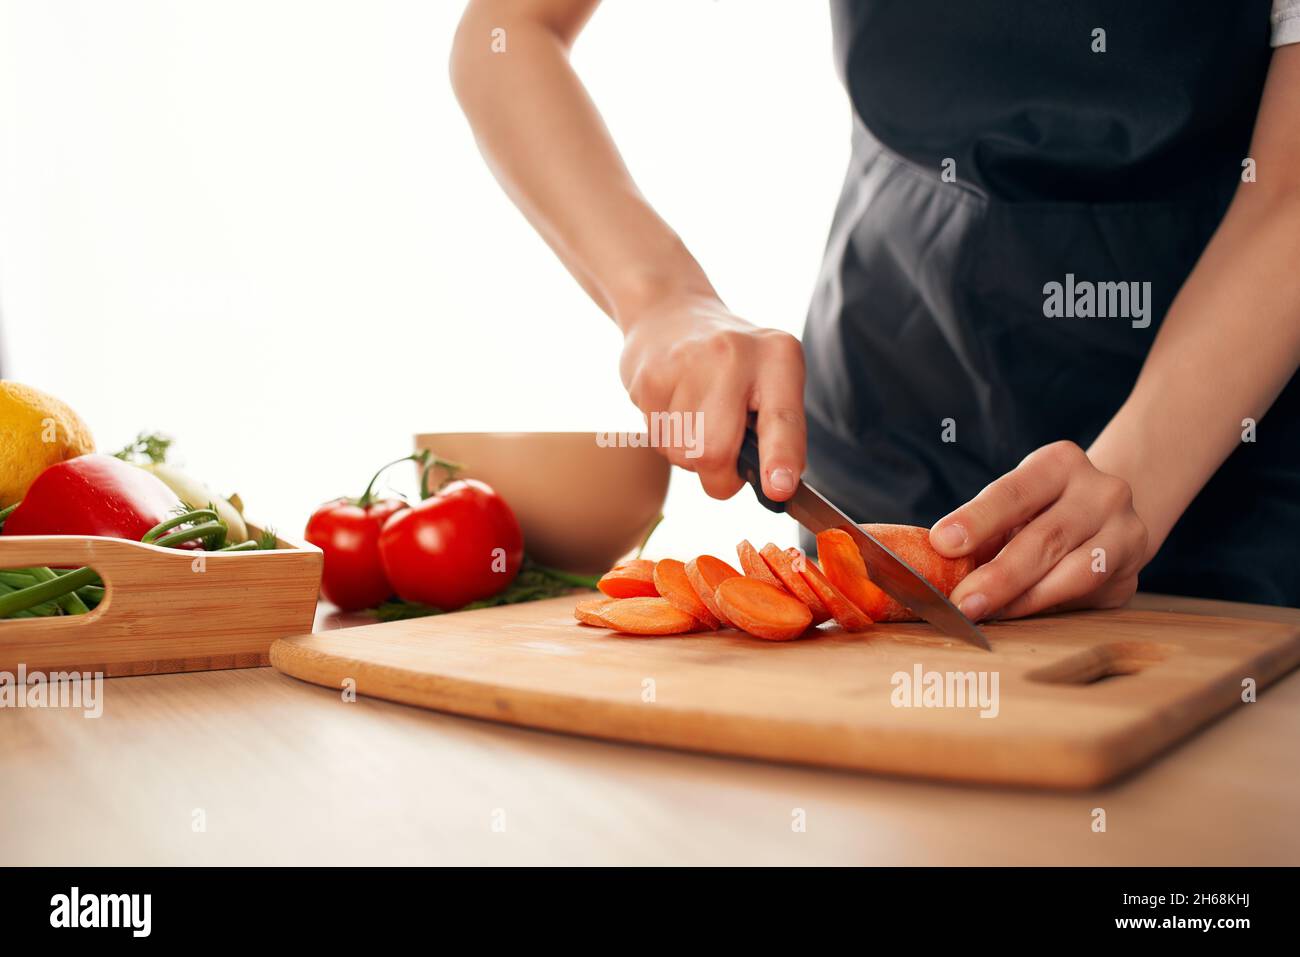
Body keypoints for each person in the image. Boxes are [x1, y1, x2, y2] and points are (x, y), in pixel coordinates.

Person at [451, 1, 1300, 617]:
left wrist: (1137, 482)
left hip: (1227, 464)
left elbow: (1287, 198)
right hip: (886, 414)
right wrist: (659, 298)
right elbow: (506, 32)